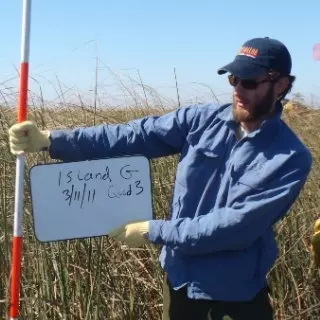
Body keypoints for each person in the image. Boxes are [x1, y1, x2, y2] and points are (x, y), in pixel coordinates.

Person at [8, 37, 312, 320]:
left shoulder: (290, 158)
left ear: (281, 85)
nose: (237, 90)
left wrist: (156, 231)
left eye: (249, 82)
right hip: (179, 284)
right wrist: (51, 141)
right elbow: (132, 136)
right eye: (233, 79)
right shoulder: (201, 121)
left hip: (235, 297)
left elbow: (233, 227)